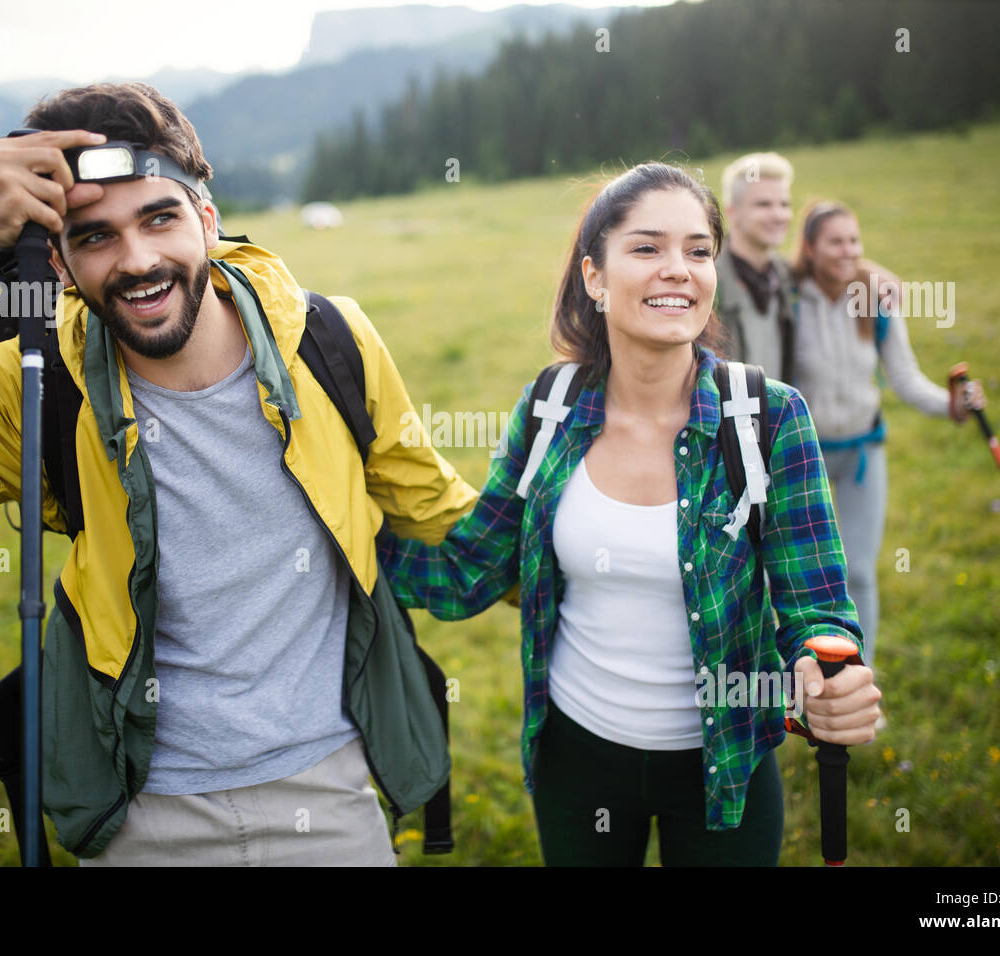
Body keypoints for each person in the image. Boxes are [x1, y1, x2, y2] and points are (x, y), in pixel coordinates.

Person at [0, 82, 479, 866]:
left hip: (327, 794)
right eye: (95, 237)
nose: (138, 261)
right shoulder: (35, 385)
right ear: (57, 262)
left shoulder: (332, 341)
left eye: (160, 217)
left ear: (208, 219)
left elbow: (435, 509)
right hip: (139, 813)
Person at [377, 163, 882, 866]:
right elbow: (469, 571)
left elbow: (818, 607)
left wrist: (829, 674)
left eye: (699, 250)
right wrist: (340, 546)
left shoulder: (768, 416)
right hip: (576, 759)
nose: (679, 270)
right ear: (595, 277)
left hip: (727, 765)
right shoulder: (549, 407)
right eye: (647, 248)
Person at [790, 199, 984, 669]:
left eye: (854, 241)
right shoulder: (786, 299)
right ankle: (804, 681)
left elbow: (905, 378)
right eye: (835, 241)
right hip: (802, 457)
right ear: (810, 248)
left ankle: (861, 679)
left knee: (859, 571)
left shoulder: (875, 301)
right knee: (802, 579)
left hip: (862, 451)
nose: (848, 250)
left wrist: (952, 406)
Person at [714, 152, 899, 383]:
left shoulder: (785, 274)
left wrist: (867, 270)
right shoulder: (709, 280)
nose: (778, 215)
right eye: (763, 204)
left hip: (775, 416)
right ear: (733, 212)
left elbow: (831, 266)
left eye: (784, 204)